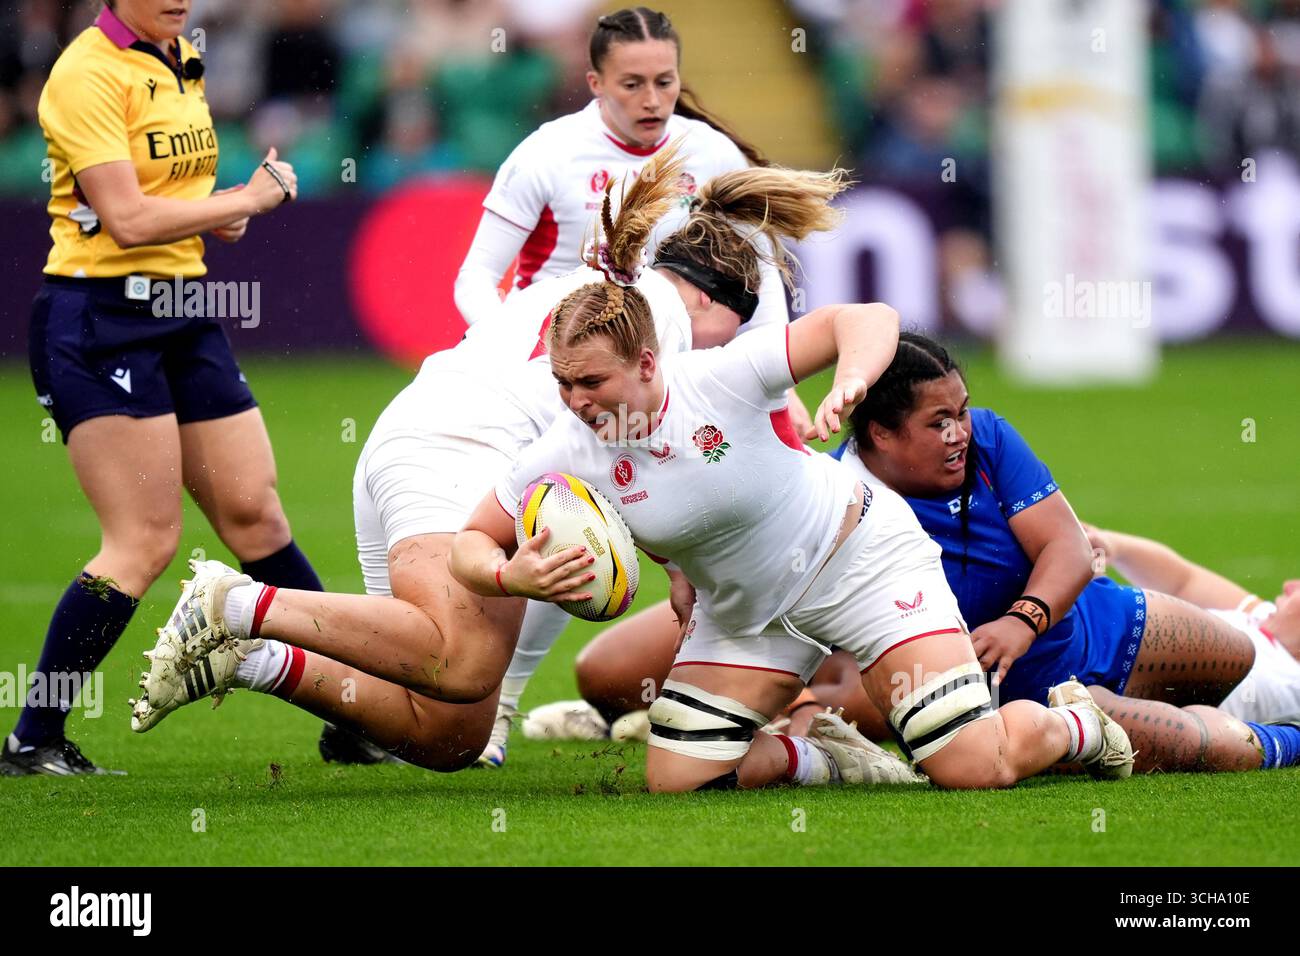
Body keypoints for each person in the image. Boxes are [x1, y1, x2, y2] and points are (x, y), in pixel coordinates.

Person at [128, 155, 917, 784]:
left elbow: (635, 458)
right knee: (461, 658)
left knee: (450, 732)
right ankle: (239, 604)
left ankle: (257, 656)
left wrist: (672, 561)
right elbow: (660, 448)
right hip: (460, 457)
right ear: (713, 307)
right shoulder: (664, 326)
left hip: (418, 443)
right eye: (731, 333)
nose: (720, 353)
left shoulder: (609, 295)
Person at [448, 264, 1136, 792]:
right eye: (564, 383)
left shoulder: (724, 378)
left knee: (972, 766)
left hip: (863, 565)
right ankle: (832, 759)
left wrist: (852, 382)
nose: (575, 401)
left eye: (592, 382)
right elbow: (469, 544)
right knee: (679, 780)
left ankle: (1078, 722)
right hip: (749, 615)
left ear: (649, 364)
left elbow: (864, 318)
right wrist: (511, 574)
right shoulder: (568, 446)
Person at [563, 333, 1300, 775]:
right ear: (878, 435)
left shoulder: (990, 440)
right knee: (1215, 745)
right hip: (1022, 701)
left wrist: (1021, 622)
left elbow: (1069, 551)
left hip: (1116, 630)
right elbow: (854, 662)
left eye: (962, 409)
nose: (960, 431)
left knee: (1244, 668)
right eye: (937, 420)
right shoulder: (838, 505)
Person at [1, 0, 318, 777]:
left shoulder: (182, 56)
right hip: (97, 320)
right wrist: (246, 202)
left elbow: (173, 202)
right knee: (144, 541)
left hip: (184, 309)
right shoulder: (86, 71)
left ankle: (362, 705)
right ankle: (32, 740)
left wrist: (227, 212)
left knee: (254, 514)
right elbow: (126, 220)